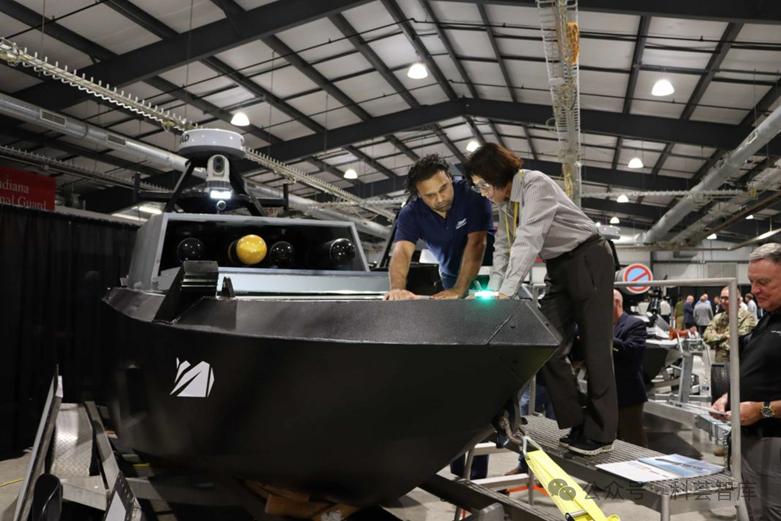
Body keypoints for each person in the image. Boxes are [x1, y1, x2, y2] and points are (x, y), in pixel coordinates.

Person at [466, 143, 617, 456]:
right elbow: (504, 249)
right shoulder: (507, 203)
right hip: (559, 266)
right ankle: (578, 421)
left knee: (595, 348)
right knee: (545, 344)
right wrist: (494, 290)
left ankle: (601, 434)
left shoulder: (536, 185)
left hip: (588, 257)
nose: (481, 192)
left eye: (482, 185)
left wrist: (508, 290)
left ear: (497, 176)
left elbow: (529, 238)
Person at [711, 243, 781, 521]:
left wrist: (761, 409)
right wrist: (730, 395)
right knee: (754, 512)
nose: (755, 289)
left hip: (773, 442)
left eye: (764, 282)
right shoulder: (768, 320)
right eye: (752, 282)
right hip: (751, 442)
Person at [385, 154, 492, 301]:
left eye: (443, 189)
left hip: (490, 272)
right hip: (451, 278)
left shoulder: (472, 194)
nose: (440, 198)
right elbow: (402, 251)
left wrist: (460, 290)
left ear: (449, 177)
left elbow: (477, 243)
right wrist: (397, 289)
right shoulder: (411, 213)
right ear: (419, 194)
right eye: (430, 195)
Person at [612, 290, 648, 447]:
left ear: (617, 302)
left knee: (634, 438)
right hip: (607, 392)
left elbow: (632, 351)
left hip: (628, 393)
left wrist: (606, 337)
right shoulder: (604, 324)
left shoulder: (635, 324)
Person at [703, 287, 758, 363]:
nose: (722, 301)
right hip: (719, 364)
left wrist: (716, 338)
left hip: (738, 364)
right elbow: (706, 337)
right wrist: (724, 336)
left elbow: (736, 338)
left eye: (726, 298)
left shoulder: (748, 317)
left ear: (738, 300)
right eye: (721, 298)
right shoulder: (718, 317)